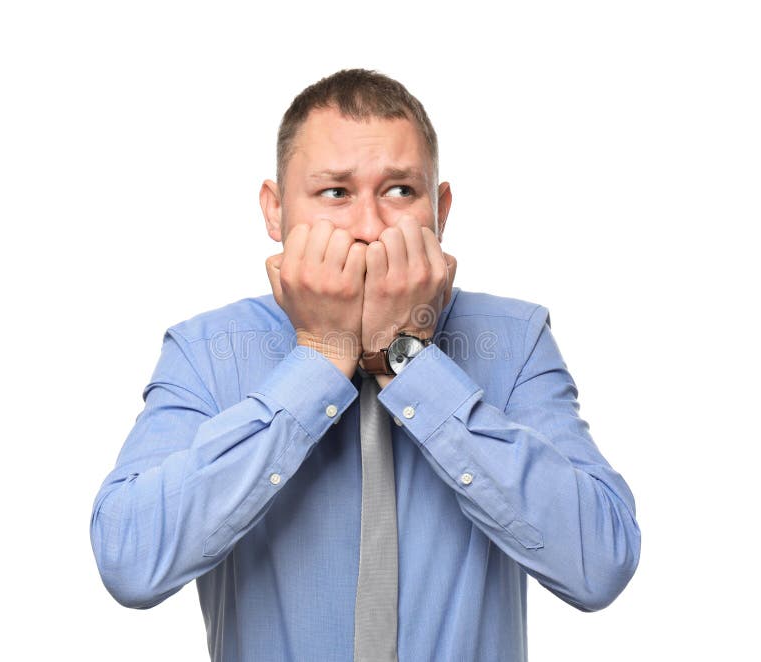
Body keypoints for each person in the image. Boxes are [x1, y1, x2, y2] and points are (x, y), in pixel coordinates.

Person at [90, 68, 641, 661]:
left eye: (400, 190)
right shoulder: (206, 350)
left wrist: (410, 360)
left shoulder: (515, 340)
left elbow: (600, 564)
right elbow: (130, 562)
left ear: (441, 208)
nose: (370, 227)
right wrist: (320, 359)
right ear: (275, 212)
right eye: (335, 193)